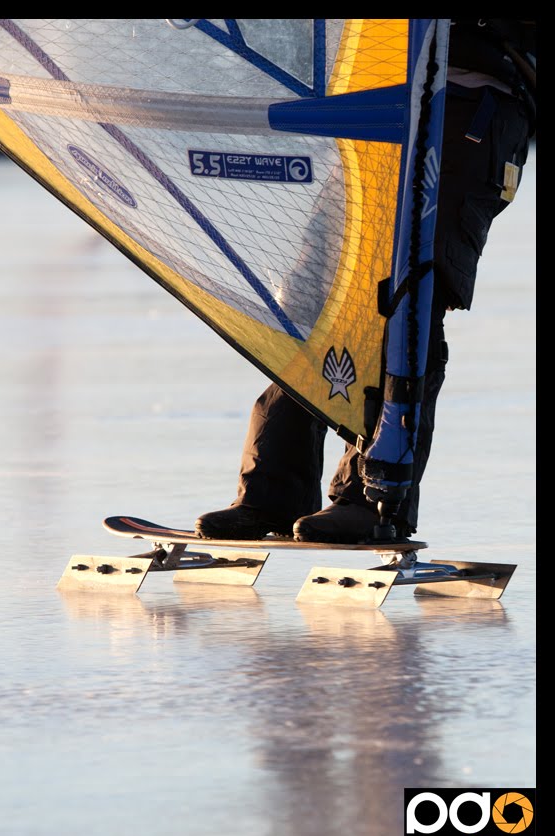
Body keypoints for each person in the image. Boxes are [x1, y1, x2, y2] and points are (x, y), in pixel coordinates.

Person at [195, 19, 536, 544]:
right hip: (379, 102)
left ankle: (376, 500)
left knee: (408, 298)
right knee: (310, 293)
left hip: (468, 108)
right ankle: (273, 494)